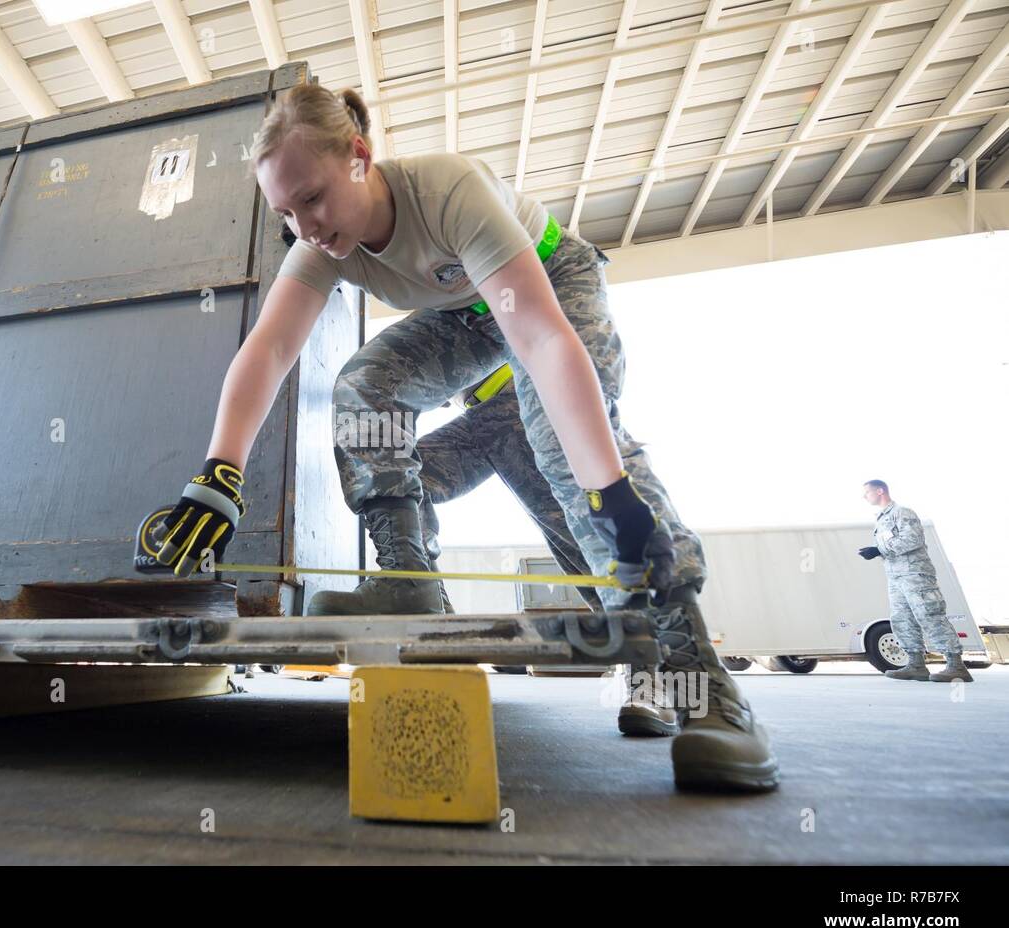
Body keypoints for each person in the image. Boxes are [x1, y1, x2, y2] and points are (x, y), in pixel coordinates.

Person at [146, 82, 777, 792]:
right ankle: (408, 579)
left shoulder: (447, 191)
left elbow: (538, 333)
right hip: (469, 315)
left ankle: (704, 687)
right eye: (285, 213)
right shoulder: (321, 242)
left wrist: (612, 489)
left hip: (548, 282)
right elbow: (268, 349)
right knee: (364, 384)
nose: (305, 226)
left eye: (313, 198)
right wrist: (220, 470)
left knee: (567, 451)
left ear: (359, 156)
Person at [418, 363, 692, 738]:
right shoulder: (425, 321)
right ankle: (427, 600)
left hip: (533, 400)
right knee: (396, 476)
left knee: (589, 538)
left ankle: (652, 673)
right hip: (481, 419)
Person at [859, 480, 971, 682]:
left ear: (880, 490)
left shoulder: (902, 512)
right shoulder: (881, 518)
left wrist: (879, 550)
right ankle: (916, 664)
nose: (864, 496)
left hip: (915, 574)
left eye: (866, 492)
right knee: (902, 619)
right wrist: (875, 551)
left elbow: (913, 539)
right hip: (896, 577)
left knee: (929, 615)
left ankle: (956, 666)